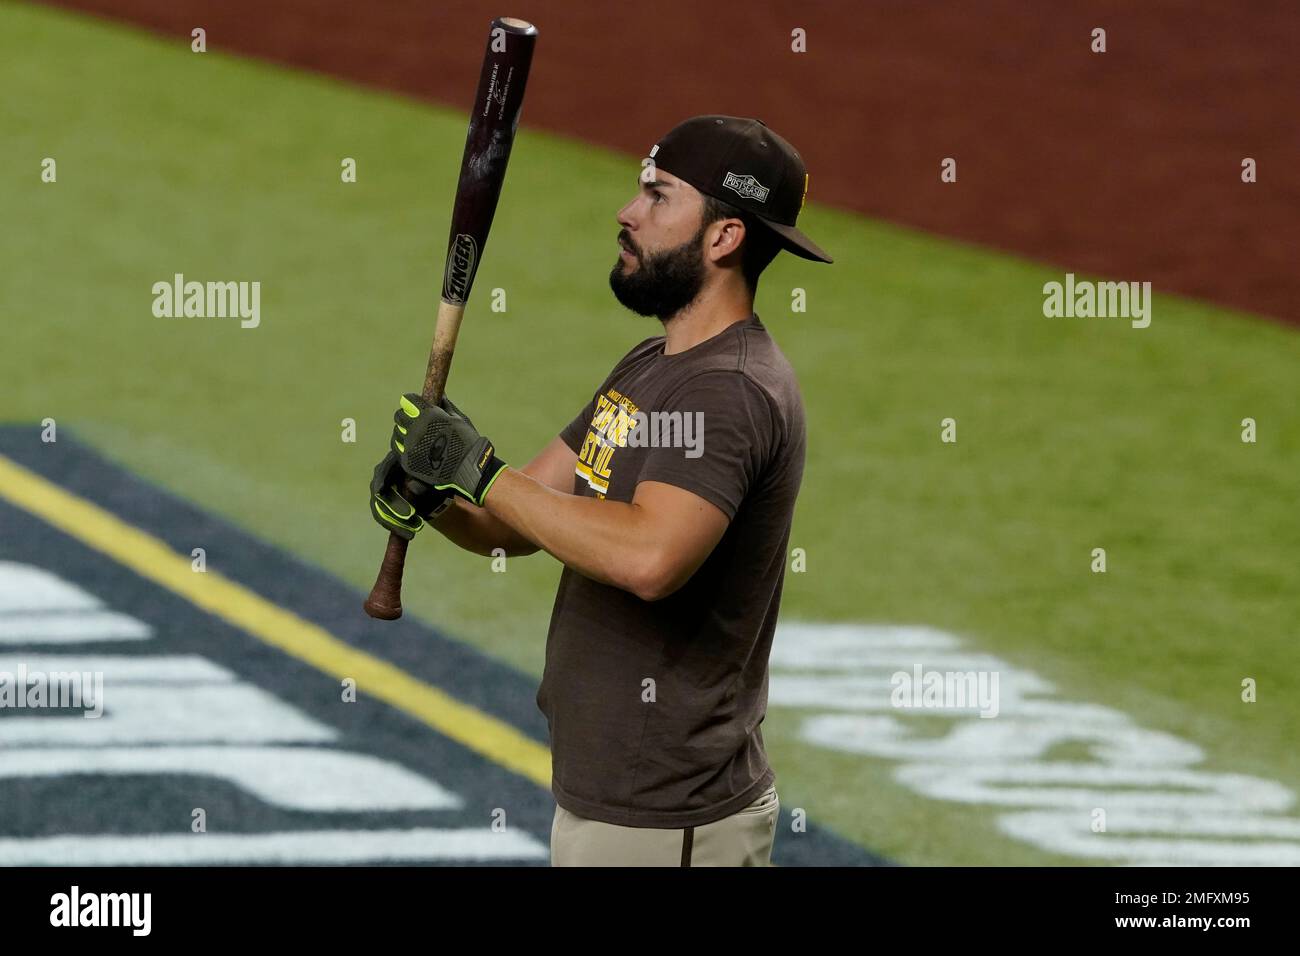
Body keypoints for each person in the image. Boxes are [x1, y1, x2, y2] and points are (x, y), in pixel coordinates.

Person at [370, 115, 833, 866]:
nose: (628, 211)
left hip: (668, 820)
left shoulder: (729, 393)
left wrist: (479, 468)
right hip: (618, 810)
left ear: (723, 238)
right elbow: (516, 521)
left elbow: (651, 558)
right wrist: (439, 496)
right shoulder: (654, 364)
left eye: (658, 196)